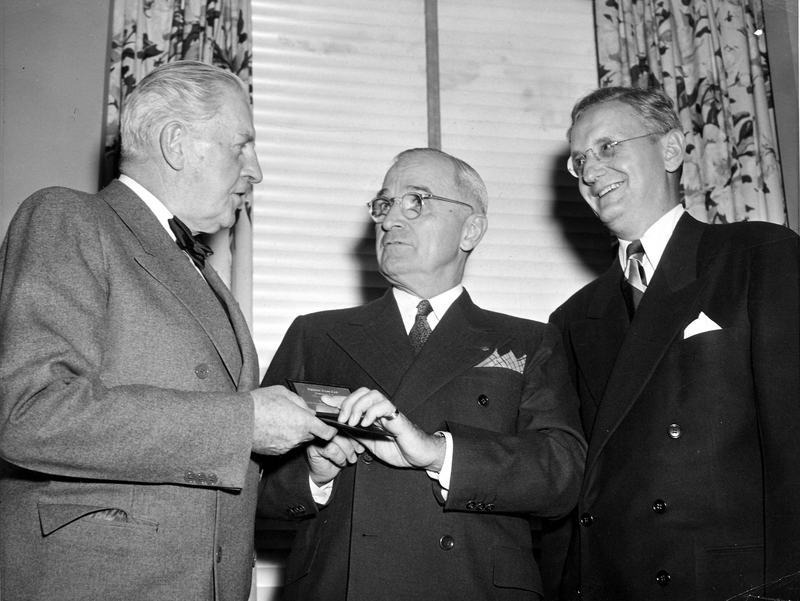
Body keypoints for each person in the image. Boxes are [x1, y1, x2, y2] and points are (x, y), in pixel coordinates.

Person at [0, 60, 336, 601]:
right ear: (177, 143)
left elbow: (205, 471)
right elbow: (30, 414)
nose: (257, 171)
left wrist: (306, 472)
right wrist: (245, 422)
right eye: (241, 146)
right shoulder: (67, 217)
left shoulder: (201, 272)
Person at [257, 147, 587, 600]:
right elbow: (250, 487)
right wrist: (314, 473)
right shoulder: (316, 334)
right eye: (384, 204)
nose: (391, 219)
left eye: (417, 200)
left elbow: (562, 476)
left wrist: (438, 453)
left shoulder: (530, 341)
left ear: (470, 229)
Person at [541, 86, 800, 601]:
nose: (591, 172)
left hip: (736, 583)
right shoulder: (572, 318)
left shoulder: (759, 255)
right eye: (579, 161)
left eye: (608, 147)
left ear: (671, 150)